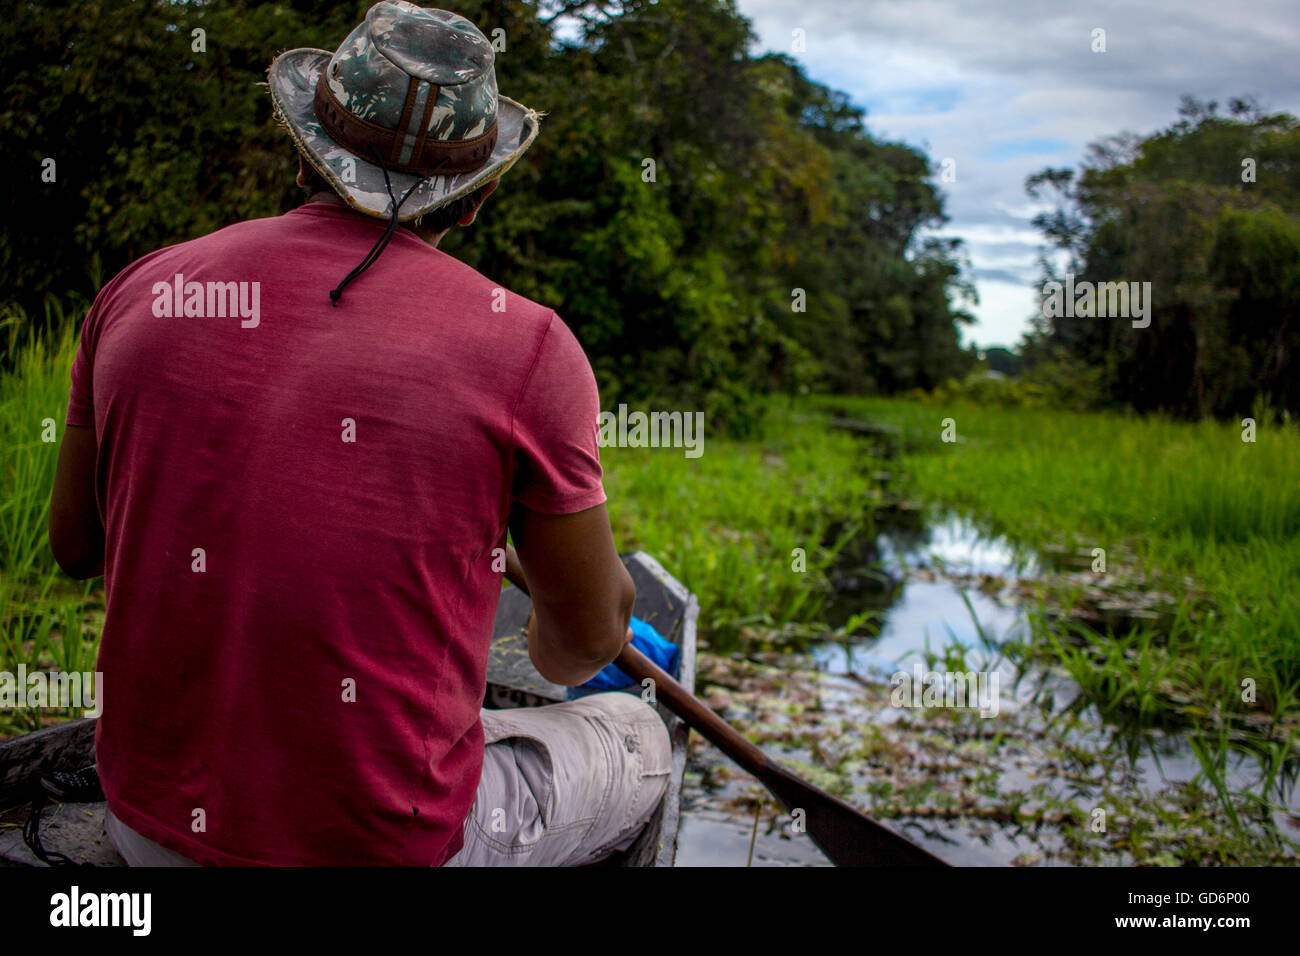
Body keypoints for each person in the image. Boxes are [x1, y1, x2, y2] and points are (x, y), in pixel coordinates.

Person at [47, 1, 670, 867]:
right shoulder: (529, 346)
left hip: (148, 831)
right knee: (639, 731)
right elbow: (581, 649)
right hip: (380, 849)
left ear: (302, 145)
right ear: (479, 193)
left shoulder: (141, 289)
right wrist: (587, 619)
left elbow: (75, 545)